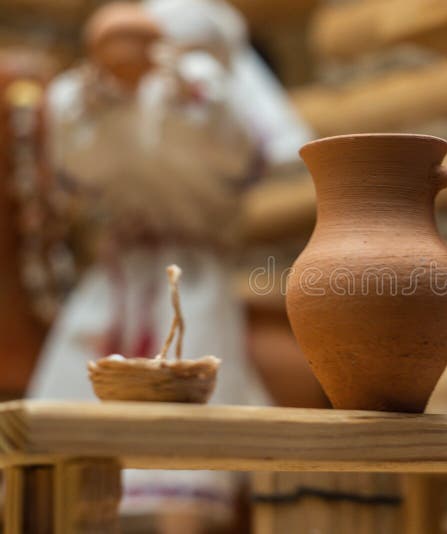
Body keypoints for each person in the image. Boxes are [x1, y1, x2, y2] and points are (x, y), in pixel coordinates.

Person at [27, 1, 311, 531]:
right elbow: (80, 159)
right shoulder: (99, 95)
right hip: (115, 283)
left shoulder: (207, 90)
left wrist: (174, 87)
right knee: (70, 417)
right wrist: (117, 86)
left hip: (191, 283)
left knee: (189, 432)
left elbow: (223, 152)